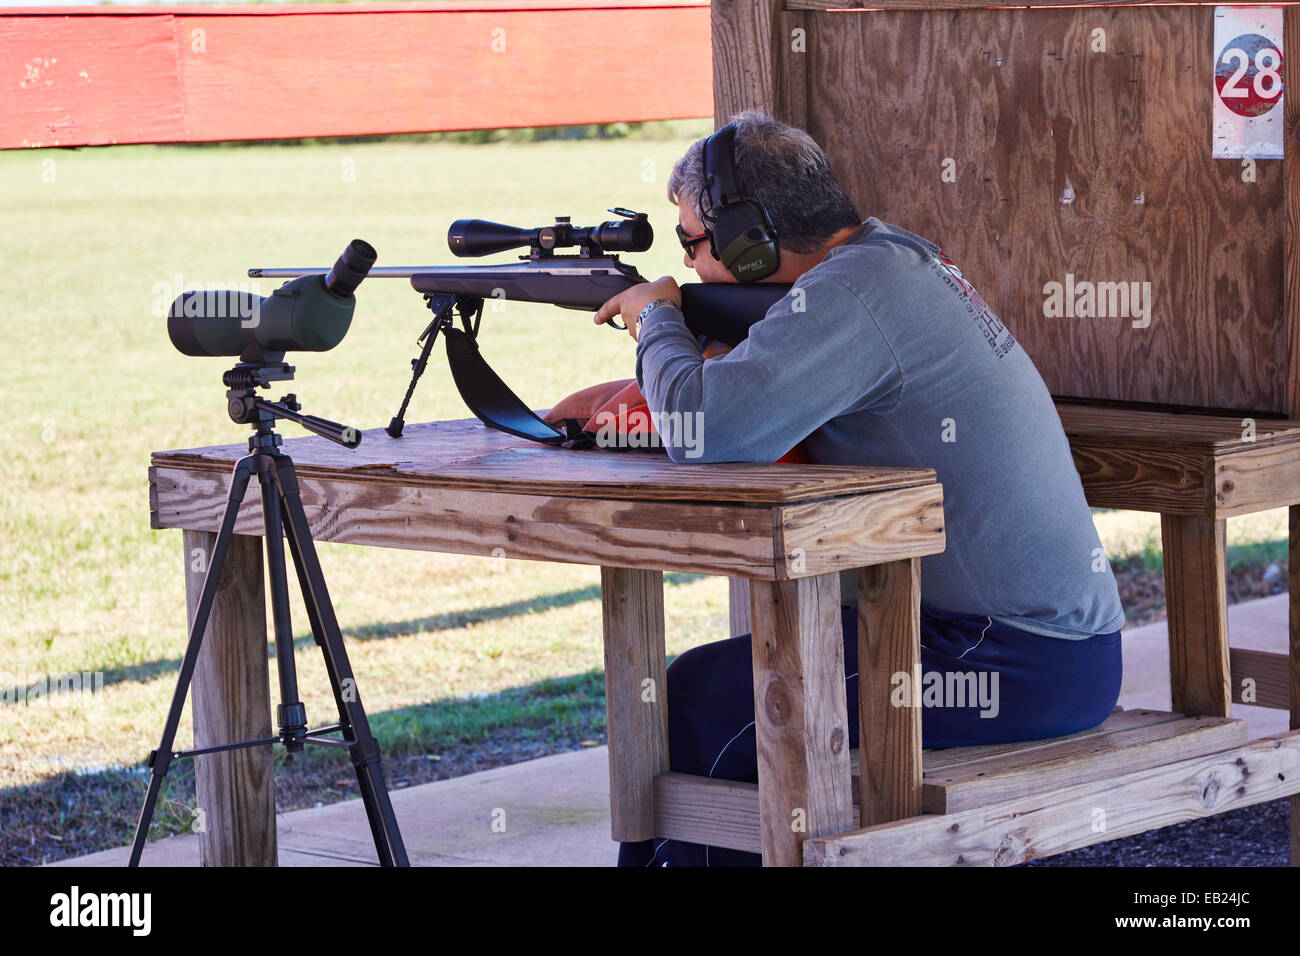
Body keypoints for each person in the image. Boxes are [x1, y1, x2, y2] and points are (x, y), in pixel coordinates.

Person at [592, 110, 1125, 866]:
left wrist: (655, 320)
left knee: (705, 702)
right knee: (718, 692)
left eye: (694, 245)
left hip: (1013, 659)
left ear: (749, 238)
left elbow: (703, 430)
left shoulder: (854, 291)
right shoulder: (887, 260)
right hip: (1030, 644)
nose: (686, 267)